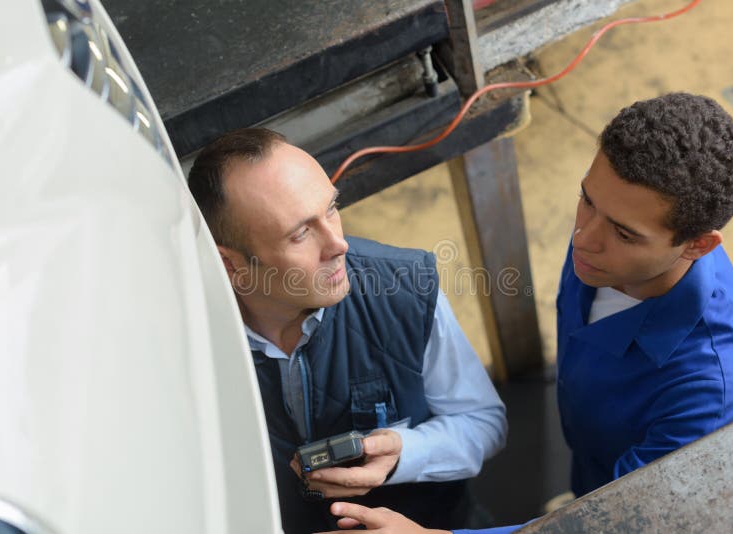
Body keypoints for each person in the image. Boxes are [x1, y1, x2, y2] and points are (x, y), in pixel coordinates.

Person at [320, 92, 733, 533]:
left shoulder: (705, 387)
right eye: (586, 200)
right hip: (590, 452)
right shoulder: (604, 244)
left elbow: (621, 519)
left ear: (697, 245)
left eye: (624, 234)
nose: (583, 238)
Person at [186, 128, 507, 534]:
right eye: (300, 233)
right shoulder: (183, 341)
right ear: (230, 265)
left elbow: (483, 422)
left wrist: (404, 454)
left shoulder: (405, 291)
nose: (339, 244)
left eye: (332, 208)